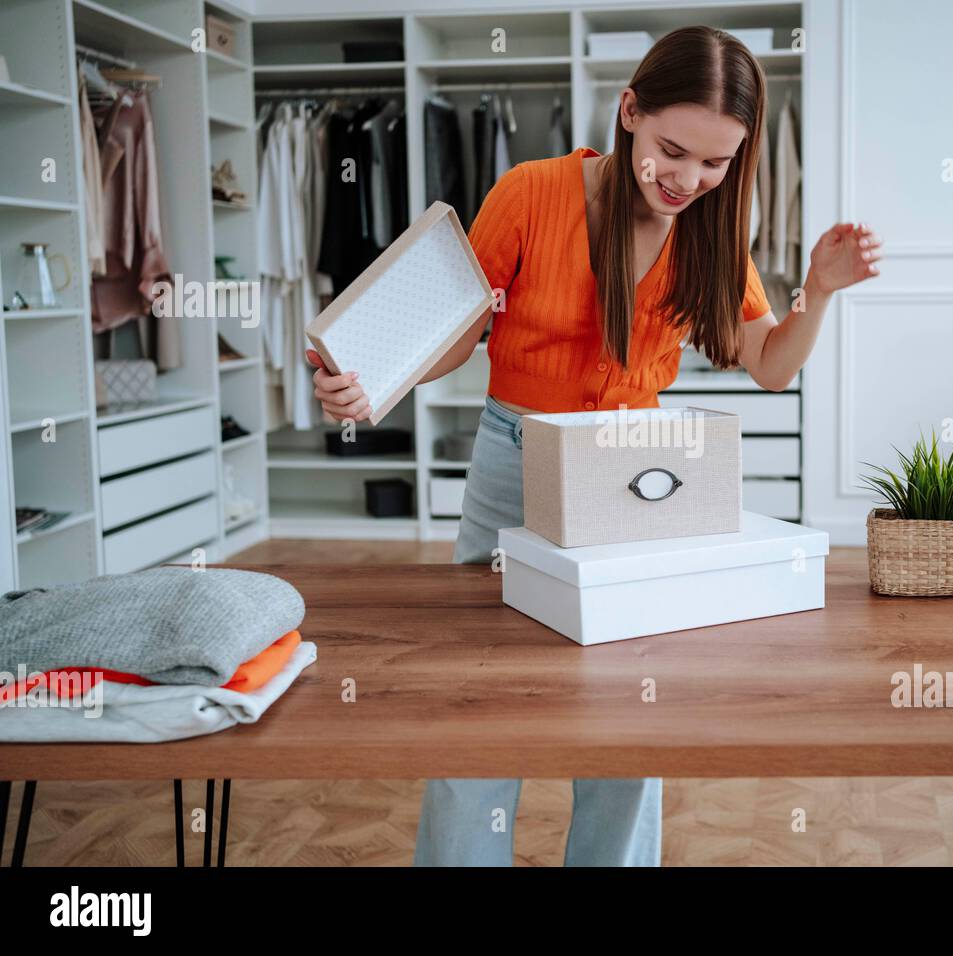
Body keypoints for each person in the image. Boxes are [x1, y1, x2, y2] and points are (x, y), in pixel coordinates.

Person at [307, 25, 882, 867]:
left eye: (717, 163)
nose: (688, 180)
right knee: (480, 708)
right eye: (671, 151)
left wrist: (819, 294)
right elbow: (457, 334)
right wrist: (371, 381)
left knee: (627, 714)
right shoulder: (531, 192)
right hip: (516, 460)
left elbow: (768, 364)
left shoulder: (712, 229)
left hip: (634, 477)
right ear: (628, 112)